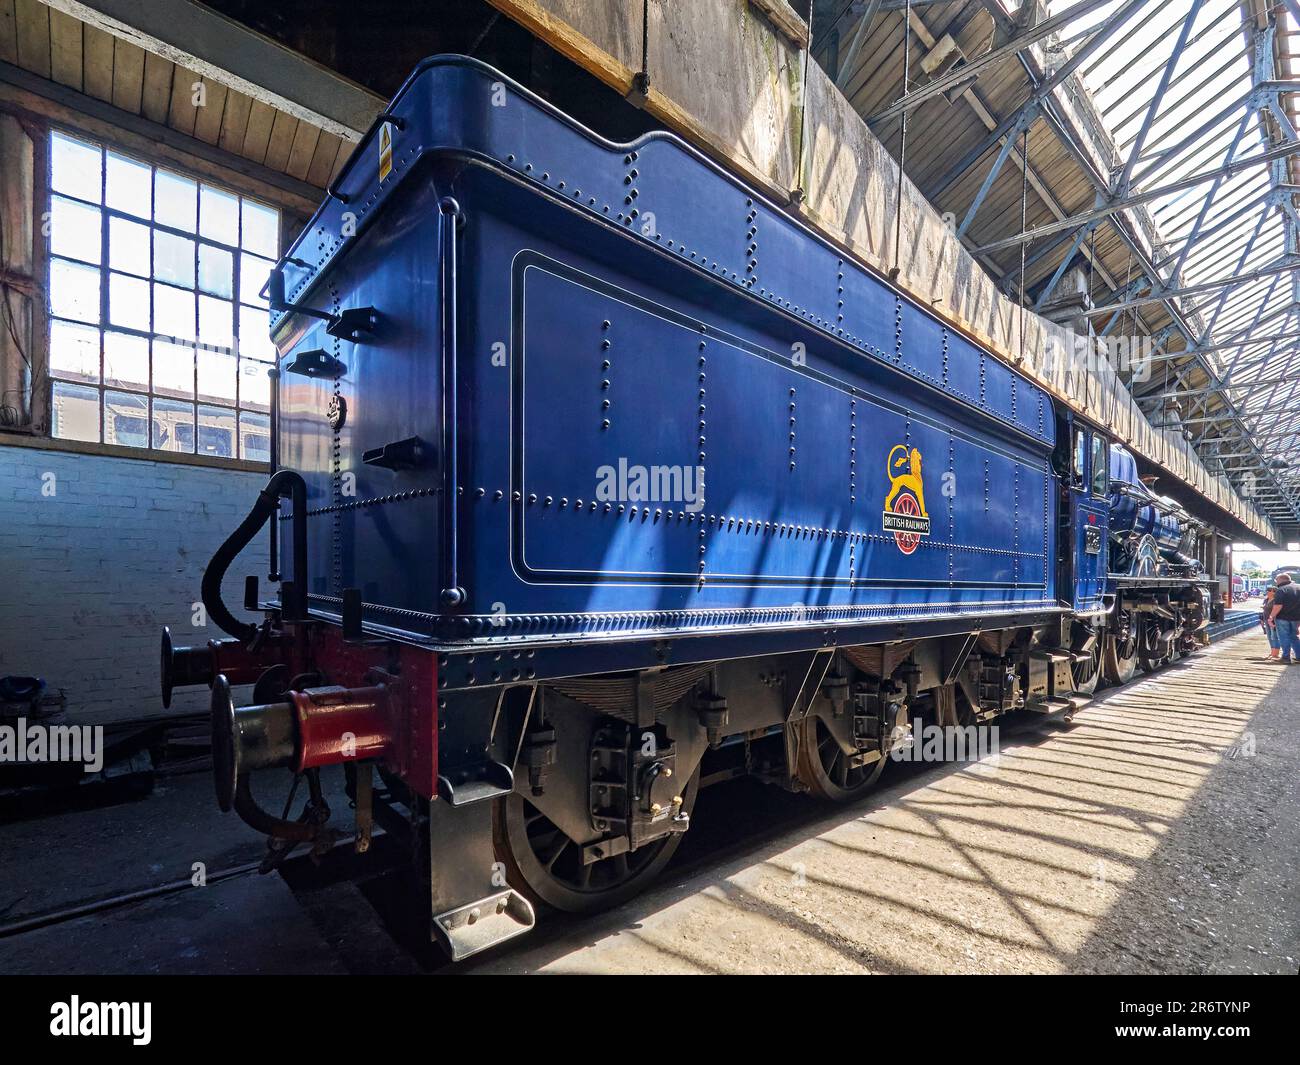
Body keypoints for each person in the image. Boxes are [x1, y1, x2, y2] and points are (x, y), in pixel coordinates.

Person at [1266, 573, 1300, 663]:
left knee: (1284, 637)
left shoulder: (1281, 590)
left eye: (1276, 580)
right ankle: (1299, 656)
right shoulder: (1298, 587)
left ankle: (1285, 658)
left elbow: (1278, 606)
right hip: (1296, 618)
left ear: (1281, 580)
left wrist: (1271, 617)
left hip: (1283, 618)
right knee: (1294, 637)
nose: (1276, 582)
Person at [1260, 587, 1280, 660]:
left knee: (1274, 636)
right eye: (1267, 590)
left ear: (1273, 592)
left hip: (1273, 620)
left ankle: (1276, 653)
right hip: (1266, 619)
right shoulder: (1266, 600)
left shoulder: (1276, 600)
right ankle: (1272, 652)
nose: (1267, 592)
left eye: (1269, 591)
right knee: (1269, 636)